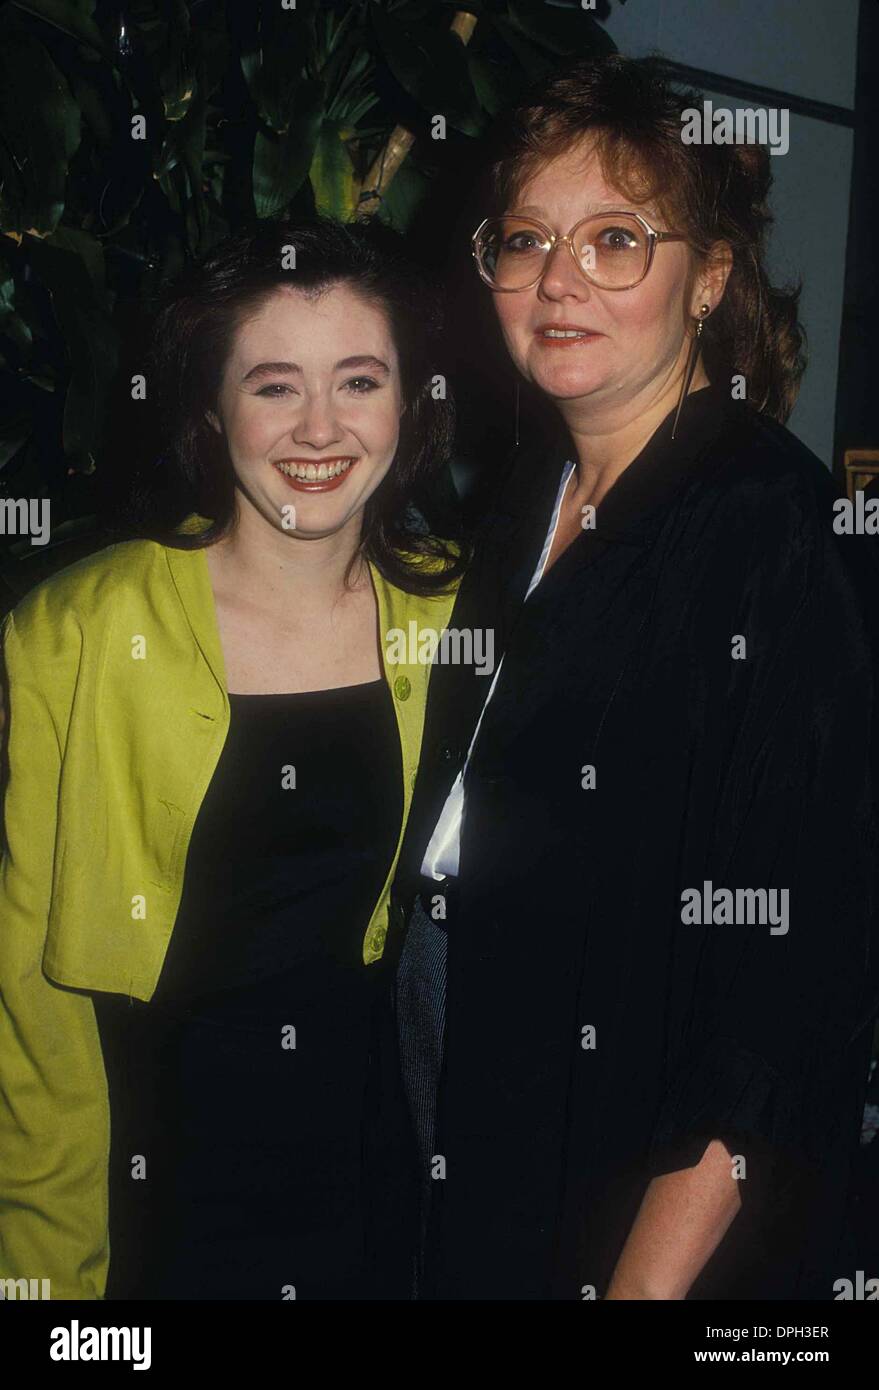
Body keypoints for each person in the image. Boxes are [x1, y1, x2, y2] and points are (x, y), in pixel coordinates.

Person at [394, 54, 879, 1300]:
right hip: (469, 1081)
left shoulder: (780, 529)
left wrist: (647, 1290)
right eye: (527, 238)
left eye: (617, 239)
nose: (558, 281)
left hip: (638, 1171)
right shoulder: (522, 500)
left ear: (709, 277)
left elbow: (795, 975)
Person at [0, 216, 463, 1300]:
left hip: (381, 1214)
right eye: (272, 385)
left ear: (410, 402)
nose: (319, 427)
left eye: (359, 380)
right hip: (145, 1214)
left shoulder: (462, 619)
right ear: (210, 404)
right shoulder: (75, 629)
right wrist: (44, 1289)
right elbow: (27, 1006)